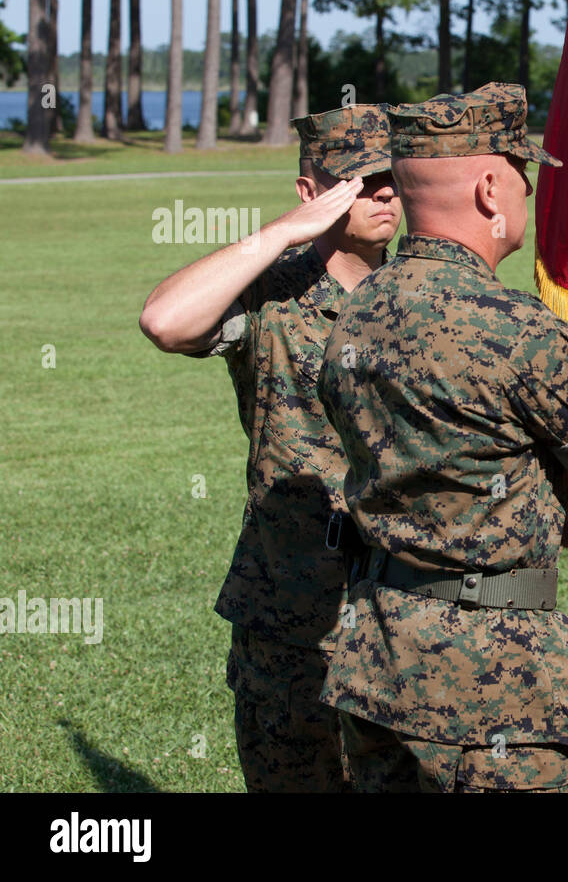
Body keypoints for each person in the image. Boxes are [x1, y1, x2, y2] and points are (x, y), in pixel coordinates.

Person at [315, 83, 568, 793]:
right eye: (524, 175)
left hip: (378, 656)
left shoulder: (355, 312)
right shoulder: (512, 328)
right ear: (490, 189)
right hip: (493, 683)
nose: (530, 192)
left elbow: (451, 487)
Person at [137, 104, 401, 791]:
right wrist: (286, 235)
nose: (382, 194)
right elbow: (165, 321)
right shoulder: (271, 297)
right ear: (311, 191)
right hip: (290, 612)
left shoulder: (422, 296)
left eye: (390, 178)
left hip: (403, 613)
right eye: (358, 180)